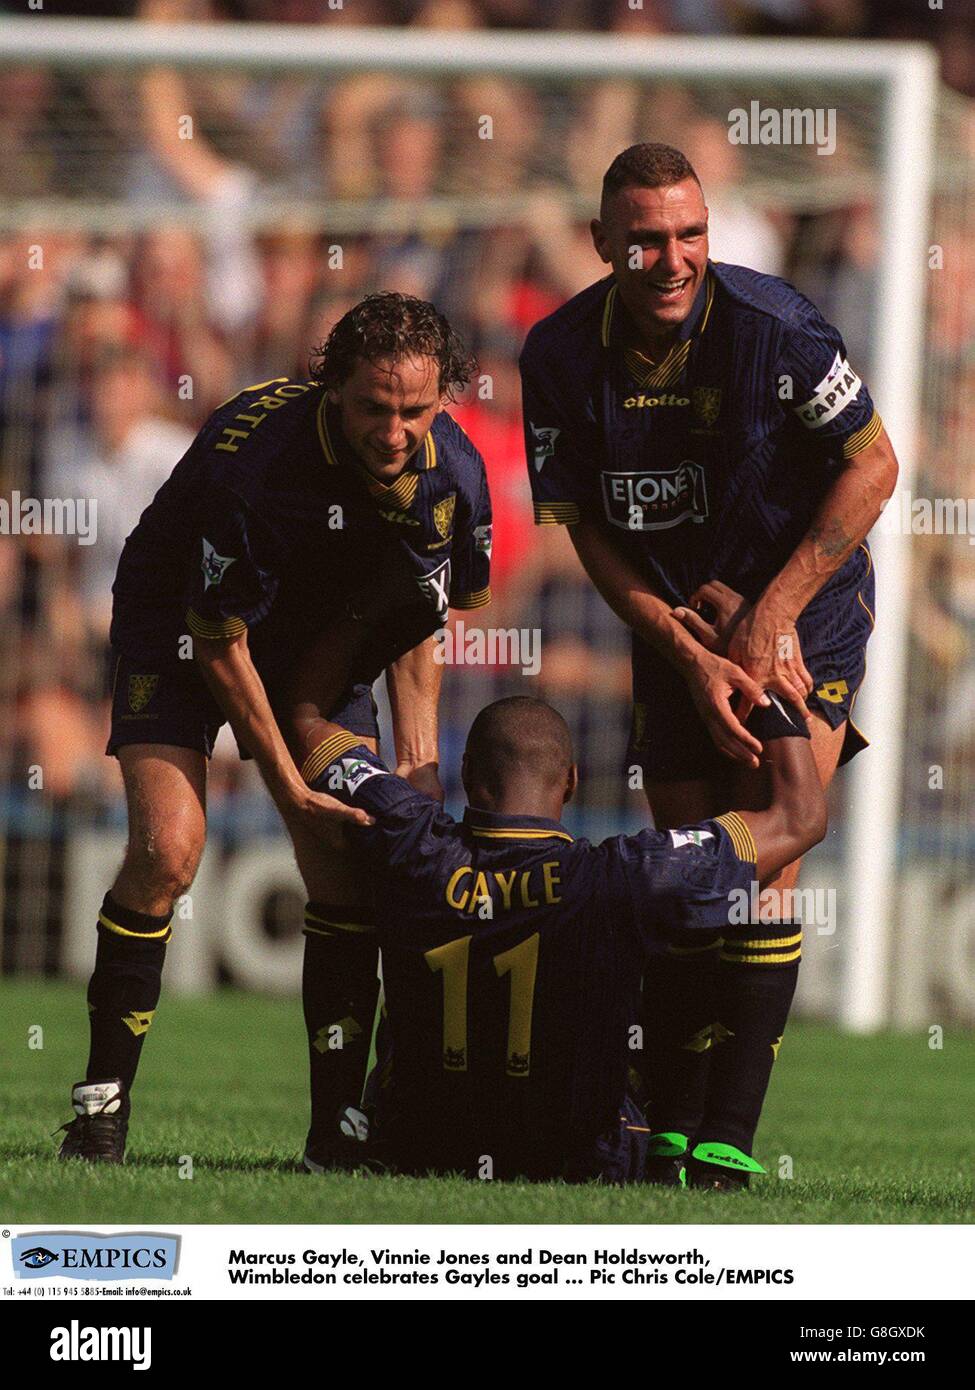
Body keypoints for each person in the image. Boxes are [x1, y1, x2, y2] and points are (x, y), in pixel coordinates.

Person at [519, 142, 899, 1184]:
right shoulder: (555, 355)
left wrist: (773, 612)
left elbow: (877, 465)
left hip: (799, 611)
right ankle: (668, 1121)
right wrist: (680, 643)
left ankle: (726, 1134)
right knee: (696, 857)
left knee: (770, 846)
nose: (673, 258)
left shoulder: (776, 329)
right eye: (645, 239)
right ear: (602, 244)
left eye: (690, 233)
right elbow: (589, 526)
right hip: (678, 623)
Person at [55, 292, 493, 1169]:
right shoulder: (263, 466)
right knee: (169, 851)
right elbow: (219, 640)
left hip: (316, 653)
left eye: (415, 409)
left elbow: (418, 620)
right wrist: (288, 781)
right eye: (375, 406)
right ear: (331, 388)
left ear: (444, 393)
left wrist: (419, 764)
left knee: (345, 866)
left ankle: (336, 1133)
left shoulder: (456, 479)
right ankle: (99, 1106)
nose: (397, 429)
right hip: (178, 626)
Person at [296, 691, 825, 1184]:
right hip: (583, 1157)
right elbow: (801, 818)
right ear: (571, 782)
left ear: (465, 772)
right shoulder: (622, 876)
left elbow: (310, 725)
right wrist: (770, 695)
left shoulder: (412, 839)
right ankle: (709, 1140)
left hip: (412, 1148)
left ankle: (335, 1133)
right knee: (696, 931)